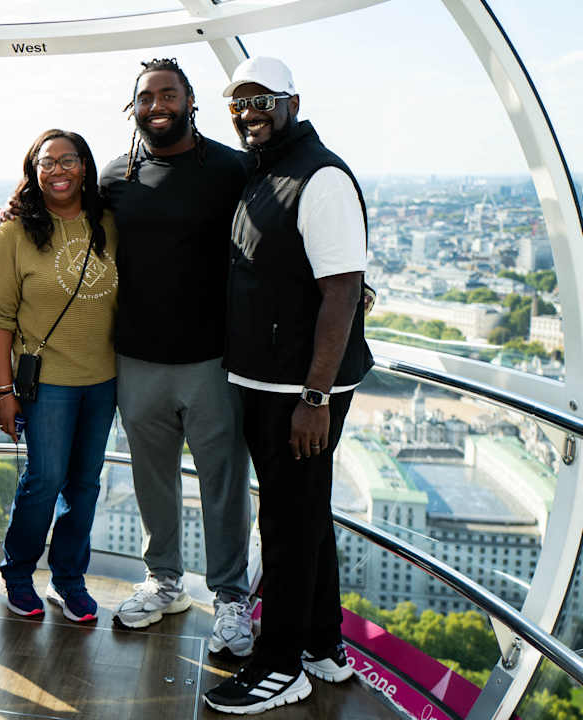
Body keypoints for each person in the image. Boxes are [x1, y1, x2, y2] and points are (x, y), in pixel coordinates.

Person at [202, 57, 372, 714]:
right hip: (266, 378)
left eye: (261, 101)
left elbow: (342, 293)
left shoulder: (320, 178)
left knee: (286, 520)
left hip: (295, 391)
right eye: (239, 104)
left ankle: (279, 667)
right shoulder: (267, 171)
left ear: (291, 102)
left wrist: (314, 397)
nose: (249, 113)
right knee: (304, 516)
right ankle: (322, 647)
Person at [100, 58, 254, 656]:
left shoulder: (231, 168)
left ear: (191, 101)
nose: (156, 105)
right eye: (145, 97)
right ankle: (164, 583)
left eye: (168, 95)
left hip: (214, 359)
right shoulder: (115, 176)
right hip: (137, 358)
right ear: (132, 108)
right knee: (152, 479)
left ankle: (232, 599)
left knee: (223, 482)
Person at [0, 129, 119, 623]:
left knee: (85, 484)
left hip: (104, 380)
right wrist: (3, 392)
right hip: (49, 383)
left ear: (85, 166)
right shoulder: (14, 232)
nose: (57, 171)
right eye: (47, 162)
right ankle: (18, 575)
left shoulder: (109, 221)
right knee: (44, 480)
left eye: (68, 160)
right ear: (33, 170)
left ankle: (68, 579)